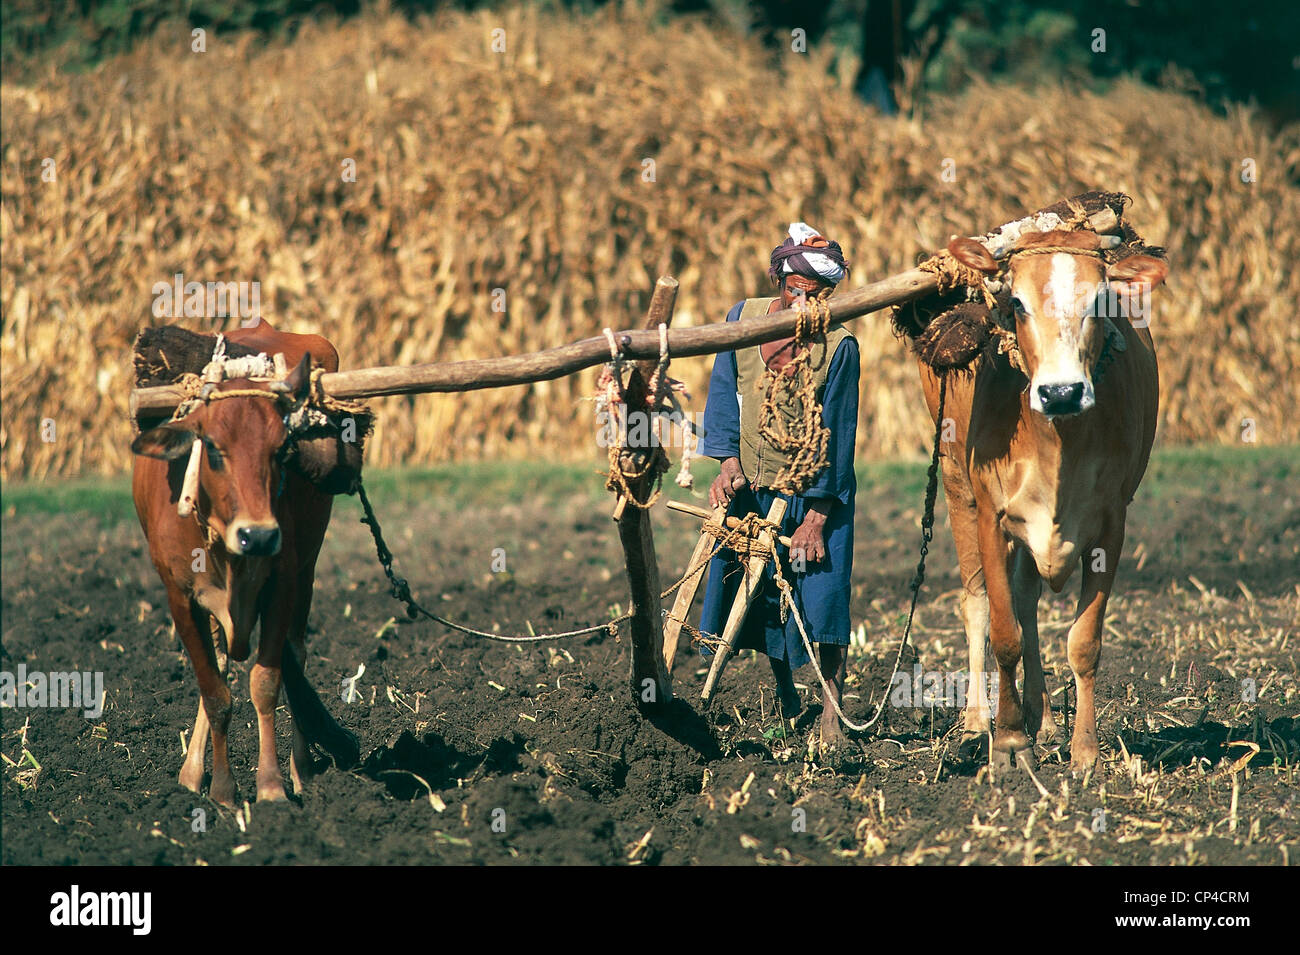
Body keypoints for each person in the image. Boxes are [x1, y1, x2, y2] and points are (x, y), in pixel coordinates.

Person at [696, 223, 860, 746]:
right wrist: (725, 463)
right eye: (794, 290)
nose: (801, 304)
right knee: (758, 594)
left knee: (822, 598)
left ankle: (831, 715)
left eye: (814, 296)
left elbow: (837, 434)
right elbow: (724, 392)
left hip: (815, 493)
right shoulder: (741, 321)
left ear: (826, 295)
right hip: (752, 486)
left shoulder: (838, 346)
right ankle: (787, 698)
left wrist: (815, 516)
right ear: (780, 280)